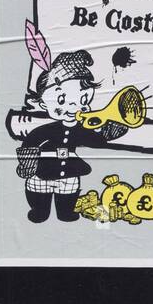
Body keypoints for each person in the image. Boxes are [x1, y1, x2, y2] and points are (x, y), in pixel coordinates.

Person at [17, 49, 127, 222]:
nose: (74, 107)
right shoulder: (43, 130)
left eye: (83, 100)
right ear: (42, 103)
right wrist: (27, 163)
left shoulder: (79, 129)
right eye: (62, 100)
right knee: (39, 197)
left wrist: (110, 132)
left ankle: (65, 212)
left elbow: (94, 140)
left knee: (67, 197)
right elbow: (31, 142)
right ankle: (39, 211)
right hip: (42, 171)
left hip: (68, 172)